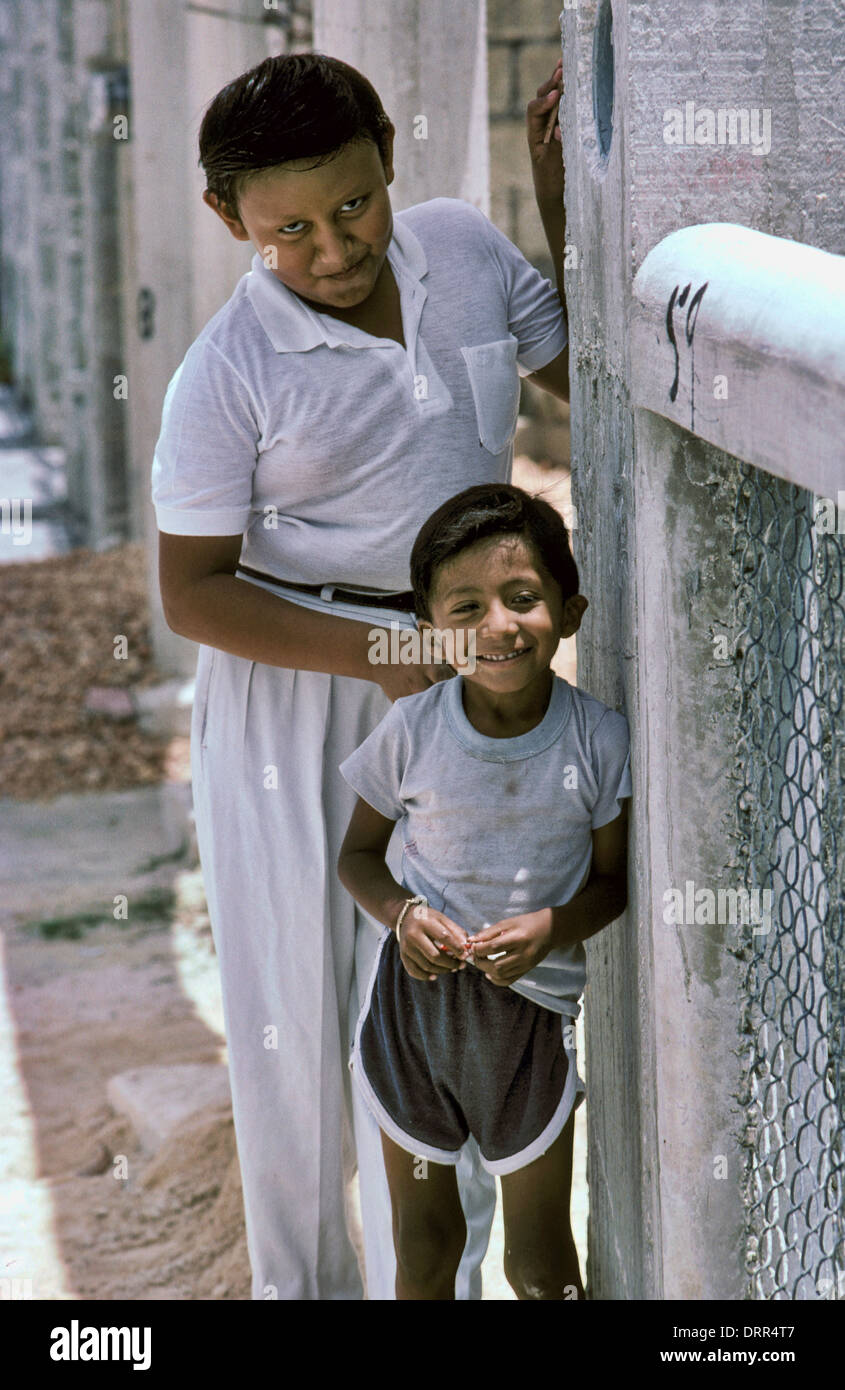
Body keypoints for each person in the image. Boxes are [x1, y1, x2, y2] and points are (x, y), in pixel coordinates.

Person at [153, 52, 571, 1300]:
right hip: (297, 683)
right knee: (291, 1010)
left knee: (444, 996)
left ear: (388, 154)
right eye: (288, 228)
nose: (331, 247)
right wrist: (382, 654)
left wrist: (558, 199)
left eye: (350, 206)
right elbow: (192, 592)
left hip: (454, 679)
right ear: (230, 221)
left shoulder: (461, 250)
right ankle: (301, 1286)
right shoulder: (226, 373)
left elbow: (581, 373)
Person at [337, 484, 631, 1301]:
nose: (496, 626)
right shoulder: (412, 731)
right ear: (429, 630)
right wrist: (402, 916)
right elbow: (356, 856)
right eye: (465, 606)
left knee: (539, 1264)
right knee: (425, 1252)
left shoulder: (597, 739)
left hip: (528, 1024)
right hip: (414, 1019)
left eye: (522, 599)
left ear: (568, 613)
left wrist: (553, 925)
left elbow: (613, 884)